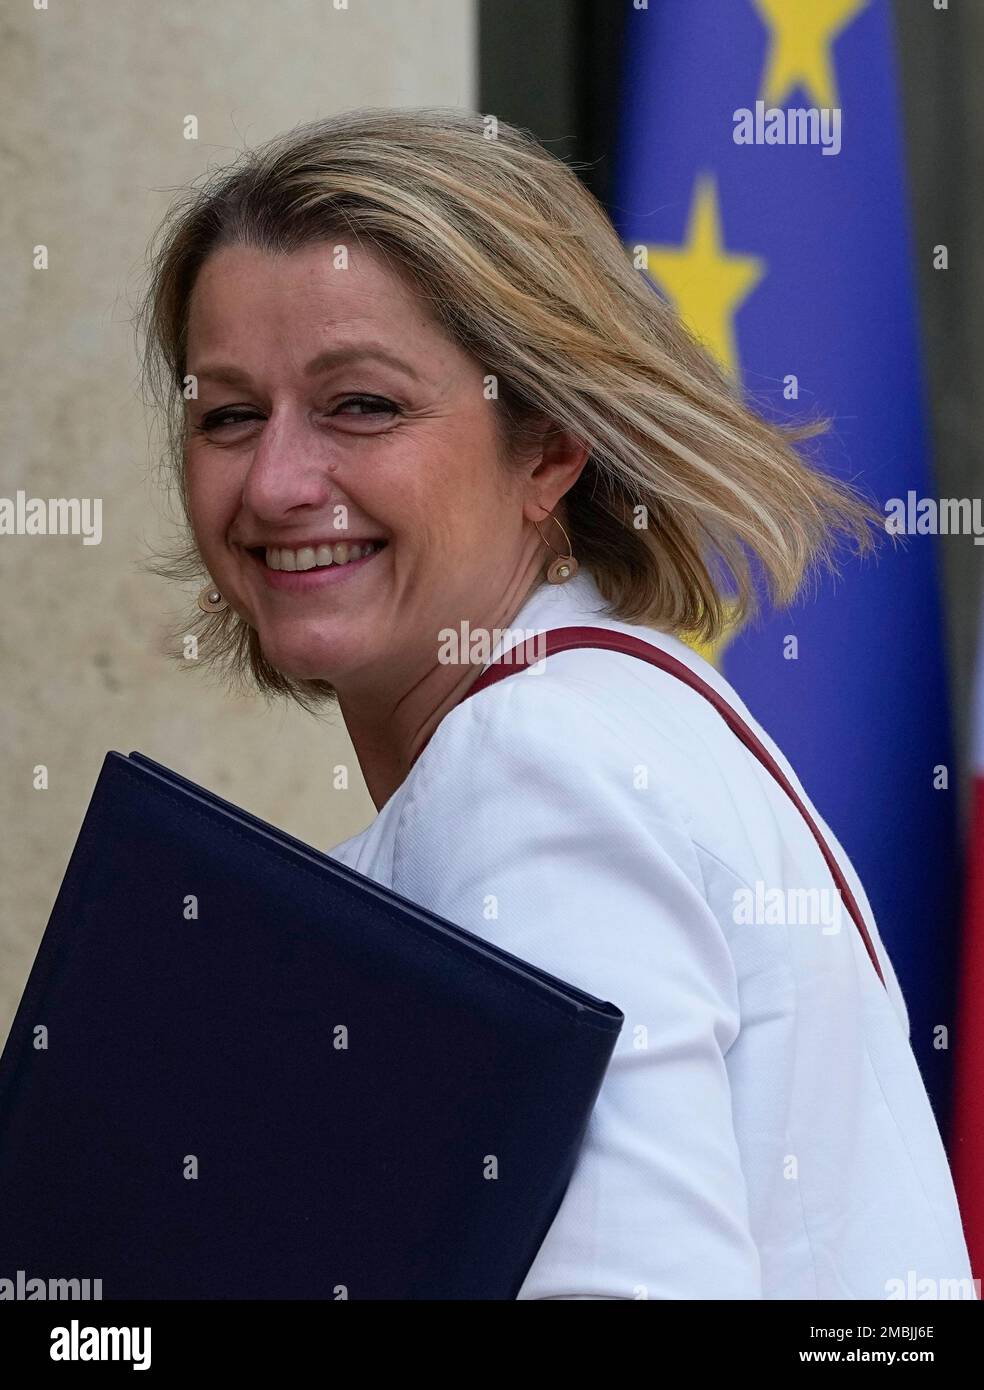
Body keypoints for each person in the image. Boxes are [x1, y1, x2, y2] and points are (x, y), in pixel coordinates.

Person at [137, 106, 974, 1298]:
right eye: (227, 414)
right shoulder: (604, 722)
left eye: (362, 404)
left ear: (548, 449)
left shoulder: (537, 760)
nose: (275, 481)